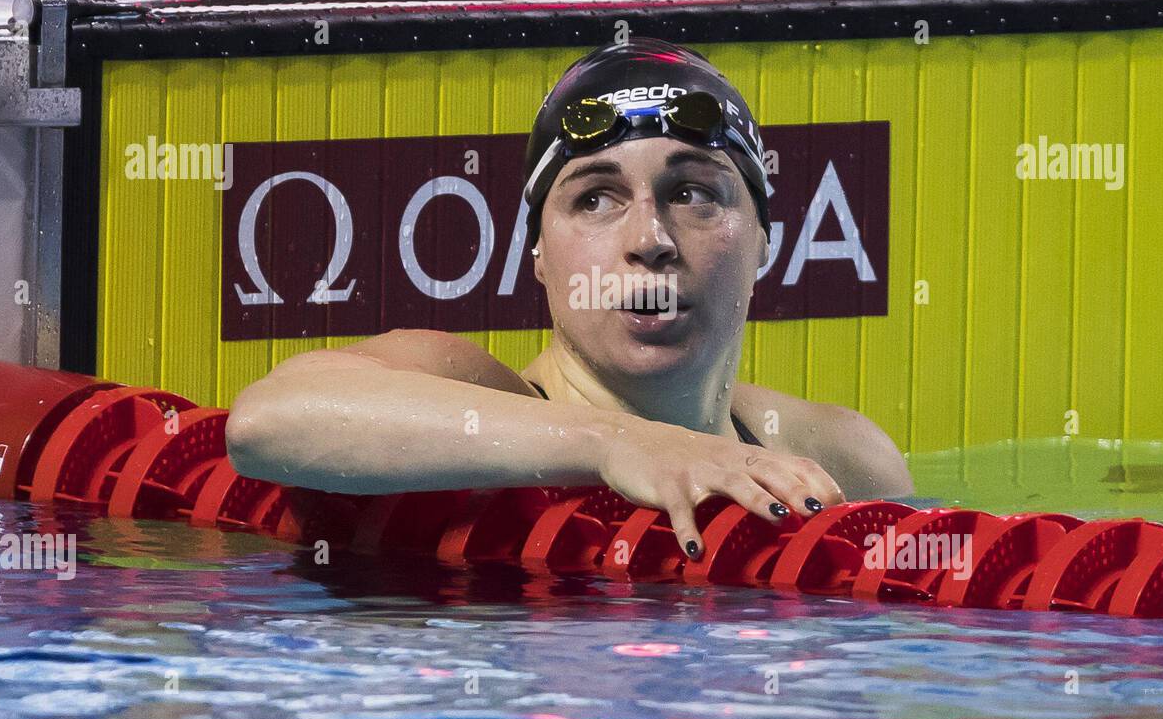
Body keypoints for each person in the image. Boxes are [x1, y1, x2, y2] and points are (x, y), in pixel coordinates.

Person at [225, 36, 913, 558]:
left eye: (695, 193)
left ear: (764, 243)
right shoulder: (472, 392)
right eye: (596, 198)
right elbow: (266, 423)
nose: (651, 238)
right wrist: (620, 443)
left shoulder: (841, 457)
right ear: (538, 258)